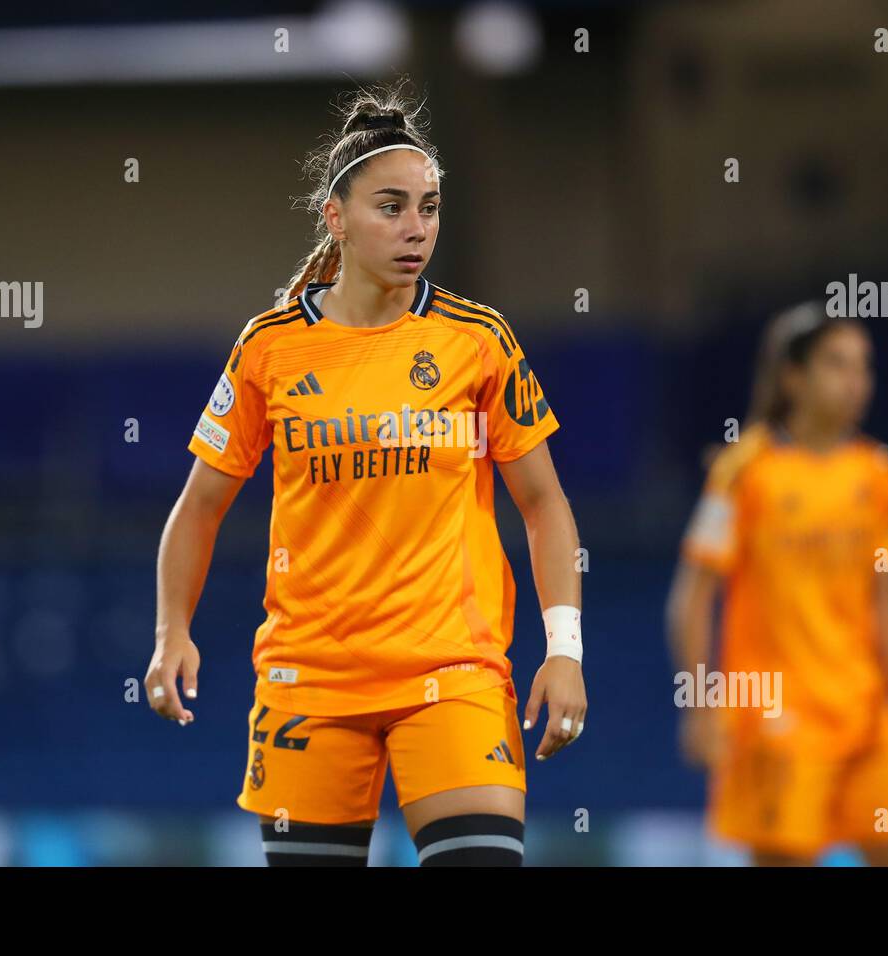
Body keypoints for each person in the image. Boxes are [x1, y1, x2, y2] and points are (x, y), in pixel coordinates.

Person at [145, 84, 586, 866]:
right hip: (308, 679)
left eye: (430, 207)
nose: (417, 229)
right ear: (336, 218)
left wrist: (566, 649)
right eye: (392, 207)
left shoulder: (477, 340)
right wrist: (170, 632)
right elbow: (199, 505)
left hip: (452, 669)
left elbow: (544, 501)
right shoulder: (271, 347)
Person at [667, 302, 888, 866]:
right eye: (837, 364)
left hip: (869, 721)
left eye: (863, 366)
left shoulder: (876, 473)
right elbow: (692, 597)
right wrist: (701, 705)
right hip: (778, 726)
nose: (857, 381)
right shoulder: (744, 472)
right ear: (793, 378)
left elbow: (885, 600)